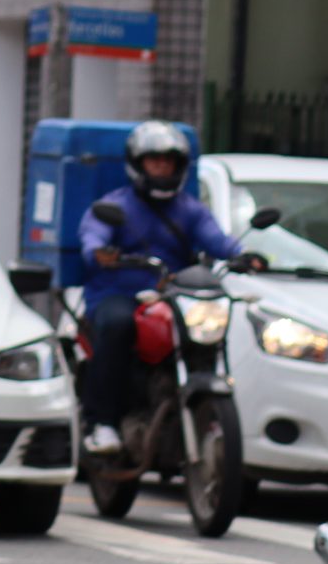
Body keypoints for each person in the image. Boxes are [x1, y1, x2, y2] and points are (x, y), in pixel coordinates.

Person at [75, 121, 250, 457]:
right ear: (138, 165)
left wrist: (242, 255)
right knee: (117, 325)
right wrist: (101, 253)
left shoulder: (190, 210)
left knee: (202, 330)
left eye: (168, 162)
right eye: (154, 161)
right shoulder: (116, 205)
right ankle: (102, 423)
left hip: (172, 297)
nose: (162, 168)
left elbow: (216, 238)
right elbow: (93, 236)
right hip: (118, 293)